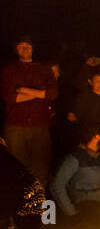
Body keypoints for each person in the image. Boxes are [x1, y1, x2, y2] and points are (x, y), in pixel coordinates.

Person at [2, 35, 59, 185]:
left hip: (39, 125)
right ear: (16, 50)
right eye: (21, 46)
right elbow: (10, 97)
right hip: (15, 126)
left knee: (40, 165)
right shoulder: (9, 70)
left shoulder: (44, 70)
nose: (25, 48)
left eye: (28, 45)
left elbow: (52, 93)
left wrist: (24, 90)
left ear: (33, 49)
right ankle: (19, 202)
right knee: (16, 165)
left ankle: (39, 201)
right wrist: (40, 93)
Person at [50, 125, 100, 227]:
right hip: (86, 207)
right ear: (96, 137)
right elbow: (57, 184)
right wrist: (70, 210)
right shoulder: (75, 159)